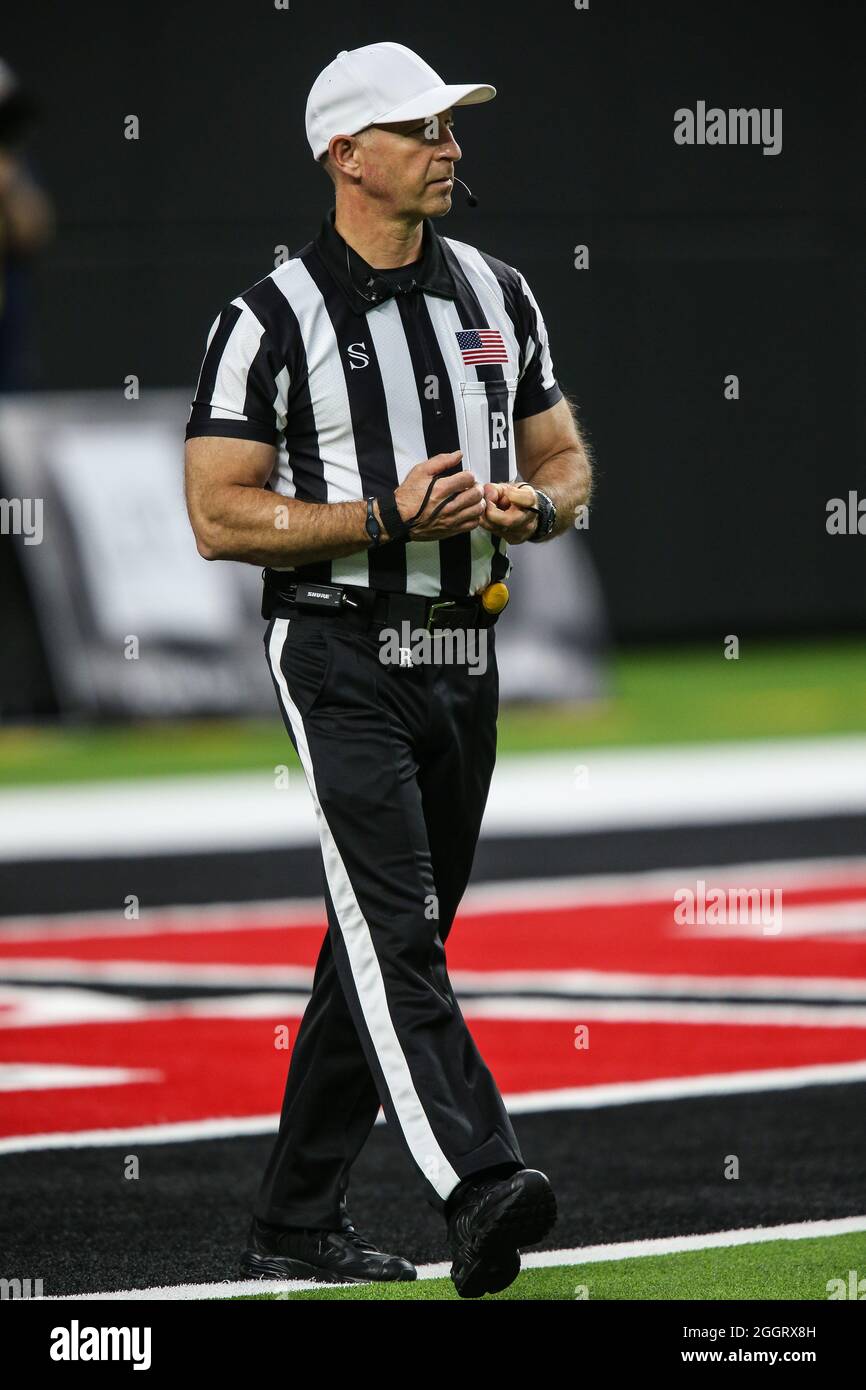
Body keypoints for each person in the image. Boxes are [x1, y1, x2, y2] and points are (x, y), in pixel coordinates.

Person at [184, 41, 592, 1299]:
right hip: (336, 640)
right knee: (399, 928)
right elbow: (216, 512)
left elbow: (569, 467)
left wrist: (528, 506)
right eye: (420, 128)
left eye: (450, 127)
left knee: (378, 935)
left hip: (461, 643)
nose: (449, 147)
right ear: (345, 154)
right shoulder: (266, 319)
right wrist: (379, 519)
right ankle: (479, 1179)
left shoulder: (496, 292)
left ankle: (295, 1215)